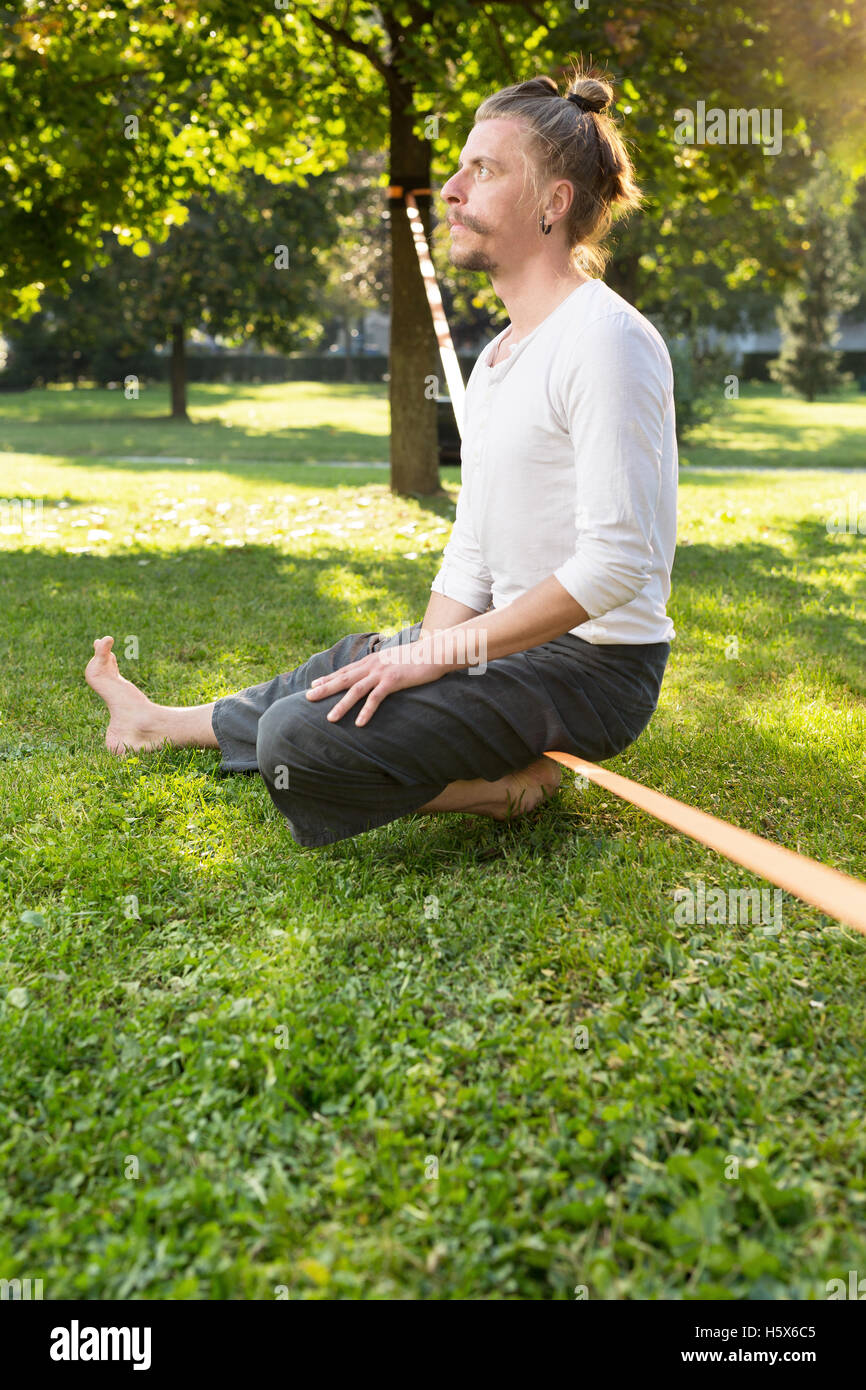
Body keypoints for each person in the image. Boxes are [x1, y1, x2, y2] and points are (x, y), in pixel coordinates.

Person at [86, 61, 677, 849]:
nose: (453, 189)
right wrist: (416, 658)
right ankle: (160, 723)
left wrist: (440, 658)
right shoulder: (500, 356)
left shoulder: (607, 343)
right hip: (508, 645)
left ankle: (507, 790)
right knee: (353, 663)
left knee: (299, 742)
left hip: (592, 672)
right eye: (460, 166)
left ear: (552, 203)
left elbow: (617, 565)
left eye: (485, 169)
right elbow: (474, 548)